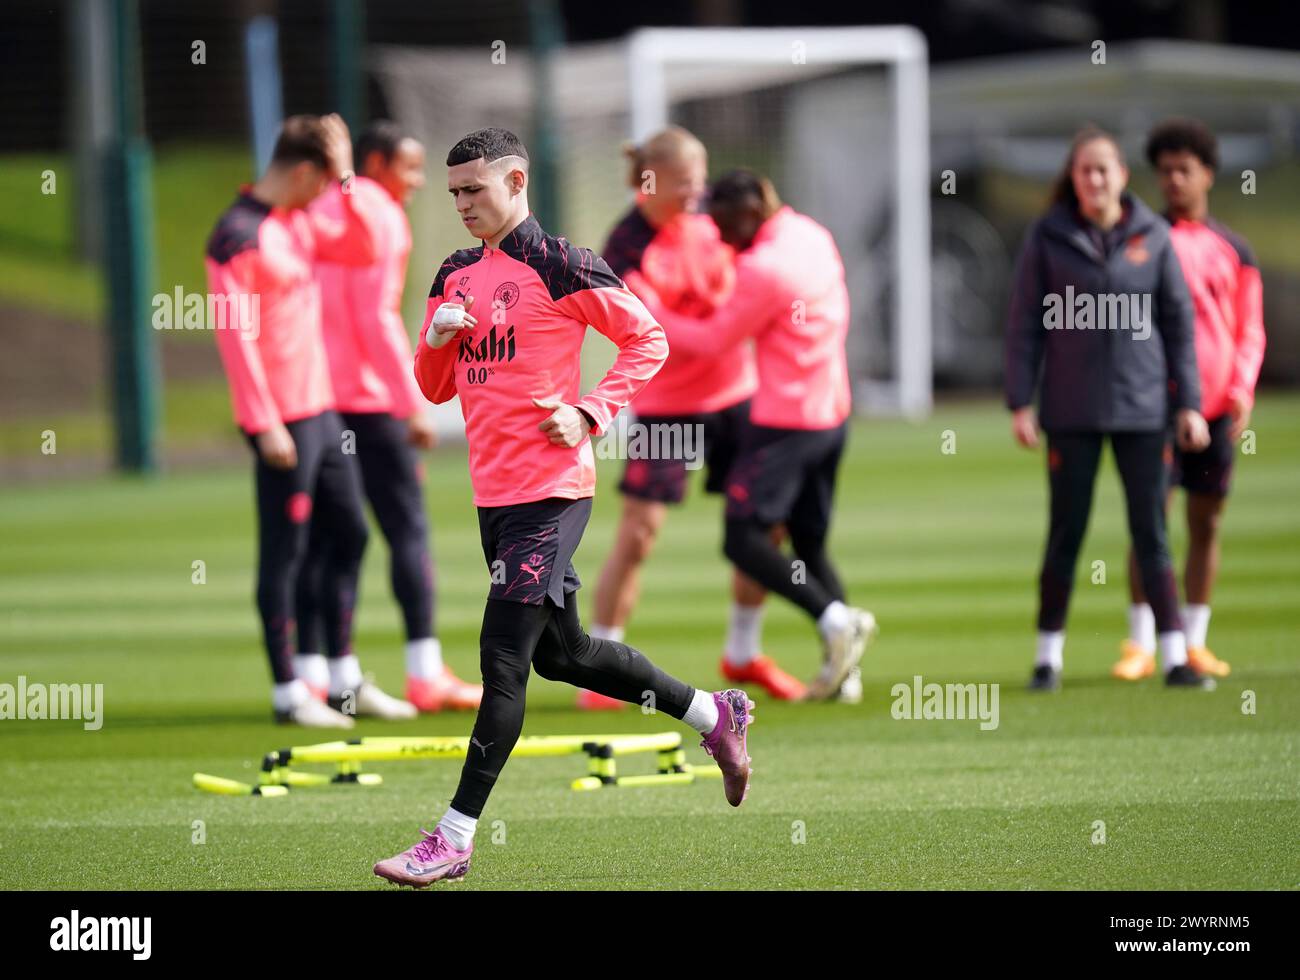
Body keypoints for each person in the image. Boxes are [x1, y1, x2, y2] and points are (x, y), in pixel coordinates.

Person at [372, 128, 755, 888]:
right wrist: (438, 341)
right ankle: (715, 717)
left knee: (503, 661)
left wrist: (589, 412)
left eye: (474, 190)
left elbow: (646, 340)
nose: (461, 206)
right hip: (495, 497)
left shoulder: (562, 264)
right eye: (453, 194)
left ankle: (452, 838)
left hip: (552, 492)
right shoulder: (452, 274)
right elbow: (435, 388)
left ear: (516, 181)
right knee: (562, 655)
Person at [624, 169, 874, 703]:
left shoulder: (765, 267)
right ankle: (845, 672)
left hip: (786, 422)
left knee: (741, 538)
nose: (718, 235)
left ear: (750, 212)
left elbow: (714, 340)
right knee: (809, 543)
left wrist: (651, 311)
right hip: (833, 411)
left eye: (723, 223)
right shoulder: (810, 233)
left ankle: (836, 619)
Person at [585, 126, 804, 709]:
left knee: (761, 527)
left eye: (700, 181)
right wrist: (715, 330)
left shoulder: (714, 223)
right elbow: (653, 335)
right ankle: (605, 667)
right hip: (665, 407)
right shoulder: (625, 250)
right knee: (638, 534)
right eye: (684, 183)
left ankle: (743, 651)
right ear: (649, 181)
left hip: (737, 395)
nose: (696, 193)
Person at [205, 113, 411, 727]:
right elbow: (235, 338)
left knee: (349, 533)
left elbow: (365, 245)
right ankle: (289, 691)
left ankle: (342, 681)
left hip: (322, 410)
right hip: (282, 419)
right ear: (299, 173)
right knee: (284, 551)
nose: (324, 198)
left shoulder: (294, 223)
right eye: (321, 184)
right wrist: (261, 421)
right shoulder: (237, 236)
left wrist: (347, 177)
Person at [1004, 124, 1215, 691]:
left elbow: (1178, 324)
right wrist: (1020, 401)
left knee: (1151, 530)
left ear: (1122, 175)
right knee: (1065, 533)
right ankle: (1048, 657)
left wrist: (1189, 404)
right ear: (1072, 179)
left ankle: (1174, 655)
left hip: (1143, 409)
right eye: (1084, 170)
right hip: (1070, 411)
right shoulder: (1048, 236)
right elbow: (1025, 323)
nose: (1095, 179)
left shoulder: (1152, 235)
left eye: (1104, 169)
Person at [300, 121, 481, 712]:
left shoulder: (318, 208)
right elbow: (375, 317)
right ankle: (424, 671)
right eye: (409, 166)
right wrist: (410, 402)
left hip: (319, 397)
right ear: (375, 163)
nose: (419, 181)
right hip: (371, 399)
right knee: (406, 528)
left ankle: (328, 675)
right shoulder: (379, 214)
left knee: (333, 540)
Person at [1112, 118, 1266, 682]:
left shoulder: (1234, 248)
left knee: (1207, 522)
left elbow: (1249, 328)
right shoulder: (1143, 241)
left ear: (1207, 175)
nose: (1174, 180)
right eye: (1166, 170)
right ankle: (1140, 642)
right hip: (1156, 406)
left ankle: (1196, 640)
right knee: (1150, 522)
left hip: (1218, 409)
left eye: (1185, 170)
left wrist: (1242, 388)